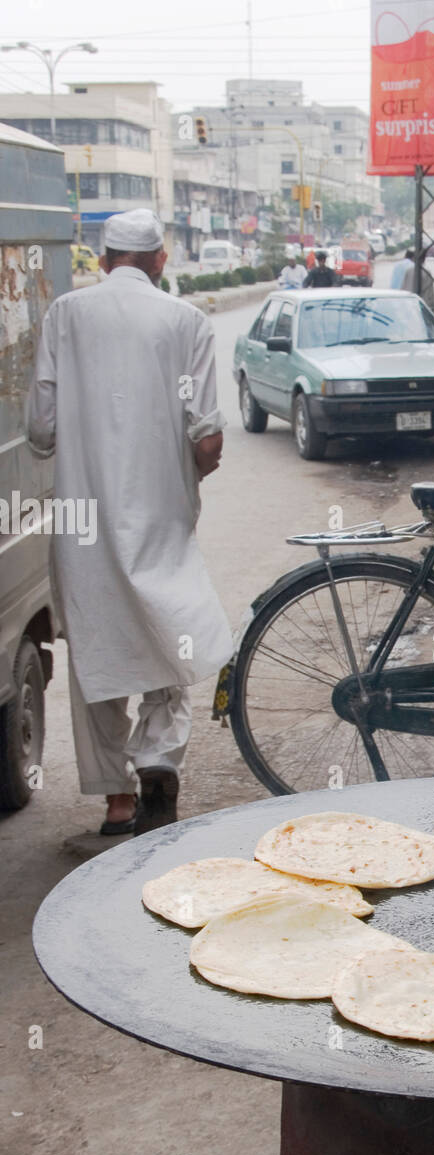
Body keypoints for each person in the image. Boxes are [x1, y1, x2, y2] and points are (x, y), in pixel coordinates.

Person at [26, 208, 233, 837]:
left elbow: (40, 431)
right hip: (160, 519)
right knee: (172, 640)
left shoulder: (65, 315)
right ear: (161, 261)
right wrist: (189, 472)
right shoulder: (186, 321)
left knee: (99, 652)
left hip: (83, 523)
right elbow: (208, 439)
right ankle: (157, 765)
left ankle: (116, 802)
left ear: (101, 256)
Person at [402, 246, 434, 312]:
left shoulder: (408, 271)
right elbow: (430, 293)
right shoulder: (426, 272)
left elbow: (403, 288)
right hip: (422, 308)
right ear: (424, 259)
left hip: (409, 306)